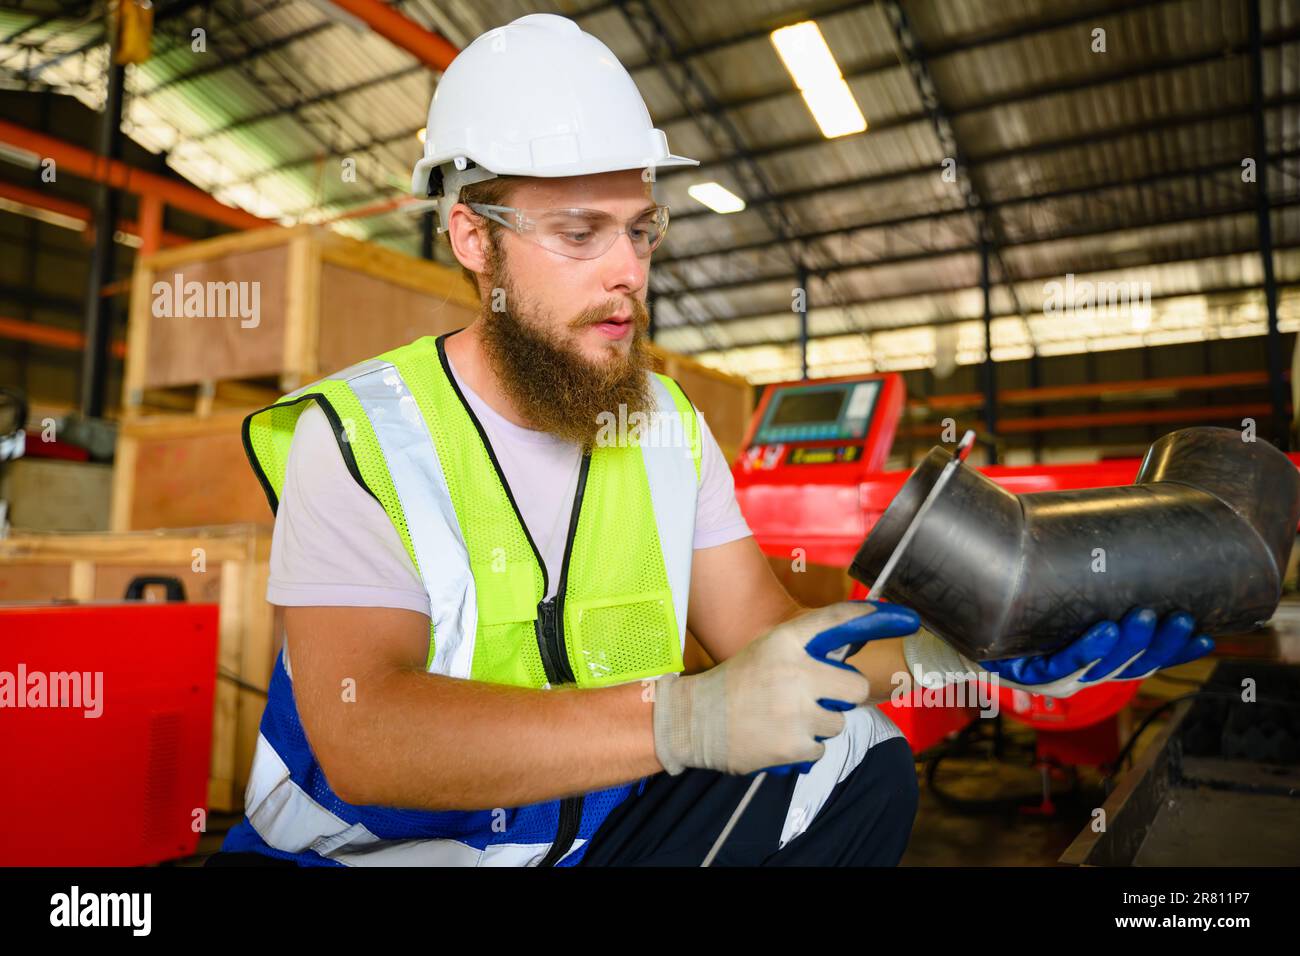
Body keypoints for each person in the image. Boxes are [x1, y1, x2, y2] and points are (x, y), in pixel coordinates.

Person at [207, 14, 1212, 867]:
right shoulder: (358, 437)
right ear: (475, 238)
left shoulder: (661, 428)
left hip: (580, 843)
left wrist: (981, 652)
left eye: (641, 230)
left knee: (851, 756)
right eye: (579, 233)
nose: (627, 272)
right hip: (364, 862)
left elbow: (774, 641)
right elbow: (366, 733)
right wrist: (678, 718)